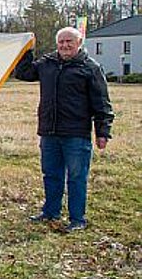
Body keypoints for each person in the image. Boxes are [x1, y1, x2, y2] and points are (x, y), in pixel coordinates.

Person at [14, 27, 114, 233]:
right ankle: (51, 211)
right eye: (61, 42)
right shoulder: (47, 63)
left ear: (79, 43)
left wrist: (103, 131)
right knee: (51, 174)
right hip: (49, 132)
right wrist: (26, 50)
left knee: (77, 177)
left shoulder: (90, 68)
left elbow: (102, 103)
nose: (65, 46)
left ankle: (77, 219)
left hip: (76, 134)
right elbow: (23, 73)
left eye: (69, 41)